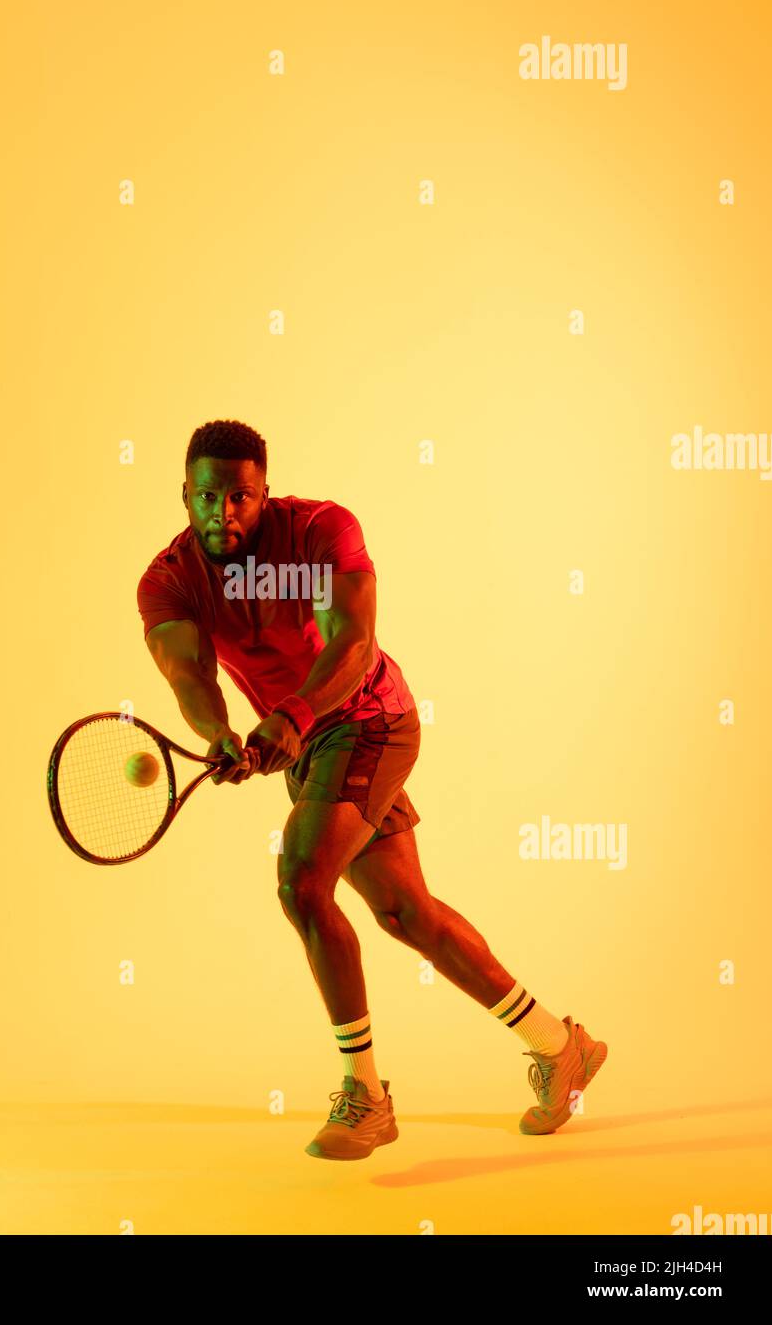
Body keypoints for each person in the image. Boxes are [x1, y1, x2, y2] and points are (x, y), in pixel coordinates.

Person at [137, 419, 607, 1159]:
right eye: (205, 497)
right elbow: (188, 674)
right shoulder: (167, 580)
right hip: (299, 744)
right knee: (402, 911)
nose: (222, 514)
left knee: (300, 881)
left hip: (368, 720)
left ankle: (365, 1098)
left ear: (264, 492)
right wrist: (219, 734)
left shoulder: (323, 529)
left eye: (239, 498)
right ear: (183, 495)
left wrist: (291, 711)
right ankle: (560, 1048)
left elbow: (352, 642)